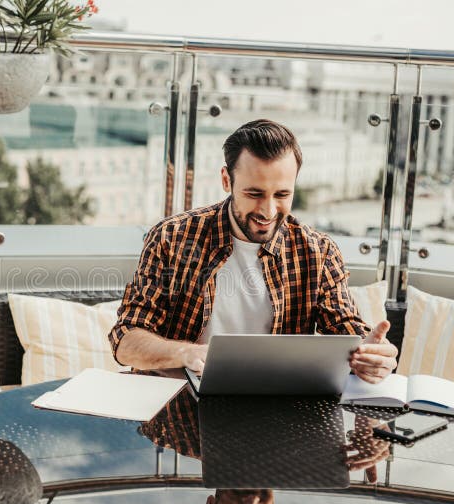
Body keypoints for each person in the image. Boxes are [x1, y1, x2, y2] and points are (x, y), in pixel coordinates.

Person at [109, 119, 397, 383]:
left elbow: (346, 329)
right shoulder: (172, 237)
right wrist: (187, 354)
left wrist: (370, 355)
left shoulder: (318, 252)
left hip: (274, 412)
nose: (268, 210)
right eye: (254, 194)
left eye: (282, 195)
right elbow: (126, 341)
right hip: (176, 400)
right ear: (226, 180)